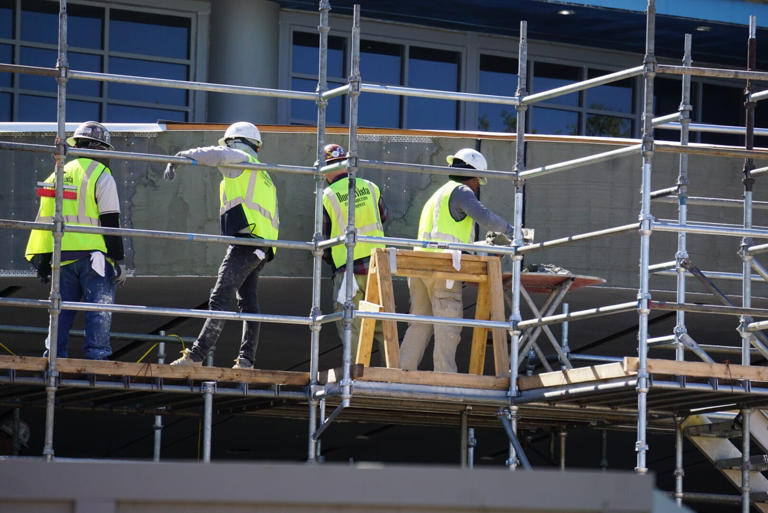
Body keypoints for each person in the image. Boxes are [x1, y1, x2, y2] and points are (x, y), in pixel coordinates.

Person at [166, 122, 278, 369]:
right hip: (261, 245)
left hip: (247, 242)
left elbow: (216, 155)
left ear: (234, 142)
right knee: (248, 302)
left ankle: (196, 356)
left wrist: (182, 158)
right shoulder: (261, 172)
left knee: (220, 296)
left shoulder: (240, 158)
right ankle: (246, 360)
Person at [399, 148, 514, 373]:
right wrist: (514, 233)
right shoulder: (462, 191)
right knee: (448, 326)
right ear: (473, 176)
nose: (478, 185)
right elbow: (486, 217)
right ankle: (446, 379)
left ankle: (400, 373)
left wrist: (478, 249)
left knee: (419, 324)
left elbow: (447, 236)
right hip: (443, 269)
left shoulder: (439, 194)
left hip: (420, 265)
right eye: (478, 180)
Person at [25, 121, 126, 360]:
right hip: (95, 259)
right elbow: (110, 222)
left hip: (62, 258)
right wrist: (119, 260)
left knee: (59, 312)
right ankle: (97, 359)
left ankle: (53, 356)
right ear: (100, 148)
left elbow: (45, 220)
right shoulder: (102, 175)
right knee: (98, 310)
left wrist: (44, 258)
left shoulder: (56, 174)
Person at [319, 143, 388, 361]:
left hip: (348, 270)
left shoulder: (327, 195)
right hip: (378, 268)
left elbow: (324, 238)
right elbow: (383, 216)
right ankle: (393, 371)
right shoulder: (370, 186)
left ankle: (356, 375)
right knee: (382, 326)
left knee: (351, 325)